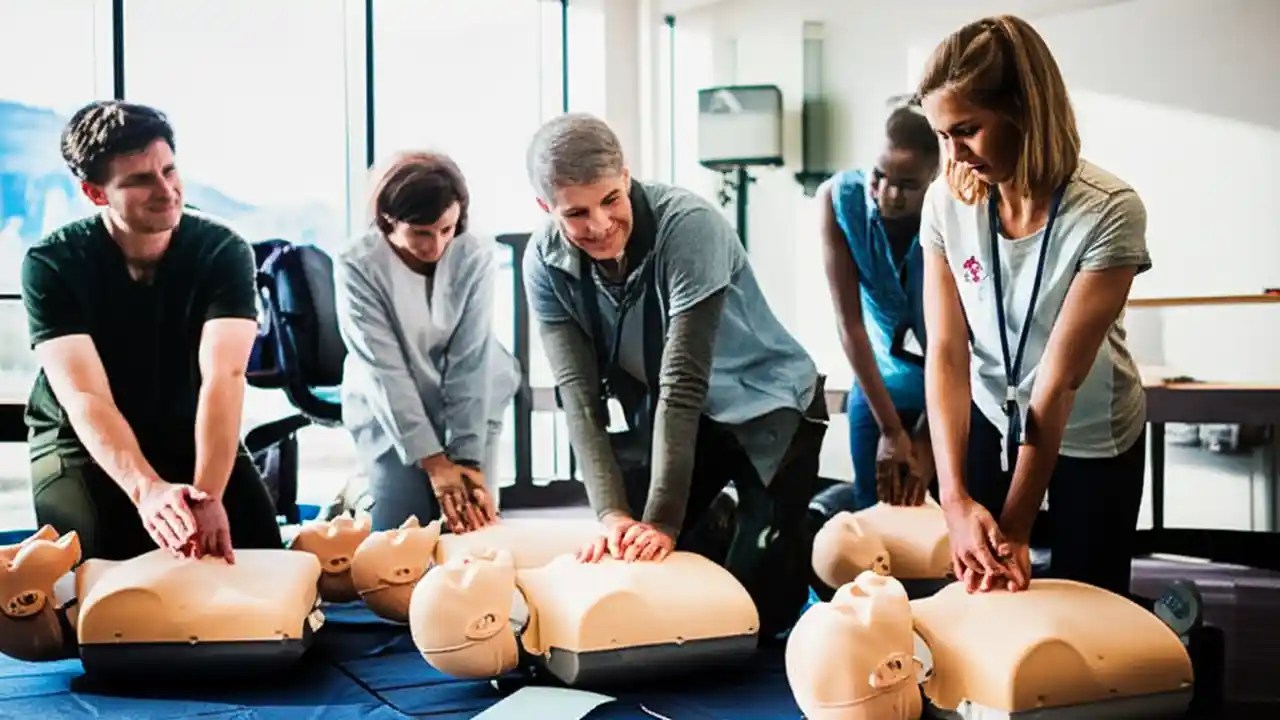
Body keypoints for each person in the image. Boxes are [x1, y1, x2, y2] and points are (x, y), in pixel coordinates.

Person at [521, 112, 828, 638]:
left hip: (768, 405)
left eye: (611, 200)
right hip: (687, 423)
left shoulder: (688, 225)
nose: (599, 225)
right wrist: (613, 515)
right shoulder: (543, 263)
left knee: (756, 613)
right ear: (546, 208)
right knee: (646, 563)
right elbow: (578, 396)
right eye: (576, 213)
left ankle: (804, 523)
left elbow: (682, 383)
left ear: (626, 174)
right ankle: (725, 520)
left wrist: (662, 522)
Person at [916, 15, 1151, 598]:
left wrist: (1016, 528)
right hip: (993, 422)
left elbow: (1058, 385)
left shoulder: (1110, 210)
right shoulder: (947, 202)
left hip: (1092, 432)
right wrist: (953, 500)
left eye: (967, 130)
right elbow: (946, 353)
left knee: (1089, 612)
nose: (954, 153)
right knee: (981, 595)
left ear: (1024, 109)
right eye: (942, 135)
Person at [21, 100, 281, 563]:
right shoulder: (52, 264)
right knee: (101, 573)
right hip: (80, 443)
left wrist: (206, 497)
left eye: (169, 170)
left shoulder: (223, 250)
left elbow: (224, 378)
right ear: (96, 193)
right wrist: (147, 491)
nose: (166, 190)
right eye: (140, 180)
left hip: (185, 428)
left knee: (262, 562)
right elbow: (86, 399)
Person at [335, 151, 521, 533]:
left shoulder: (475, 255)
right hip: (387, 409)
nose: (436, 245)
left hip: (475, 400)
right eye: (421, 232)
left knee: (470, 529)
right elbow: (384, 370)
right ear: (388, 220)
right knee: (400, 535)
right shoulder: (357, 264)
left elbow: (471, 358)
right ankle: (357, 492)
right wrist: (434, 463)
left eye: (446, 230)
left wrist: (466, 459)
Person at [811, 104, 942, 517]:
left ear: (934, 179)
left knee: (944, 524)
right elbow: (849, 323)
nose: (888, 194)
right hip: (878, 385)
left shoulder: (954, 211)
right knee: (876, 520)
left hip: (952, 389)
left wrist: (926, 435)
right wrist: (891, 429)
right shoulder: (840, 200)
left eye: (907, 184)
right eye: (879, 175)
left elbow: (960, 340)